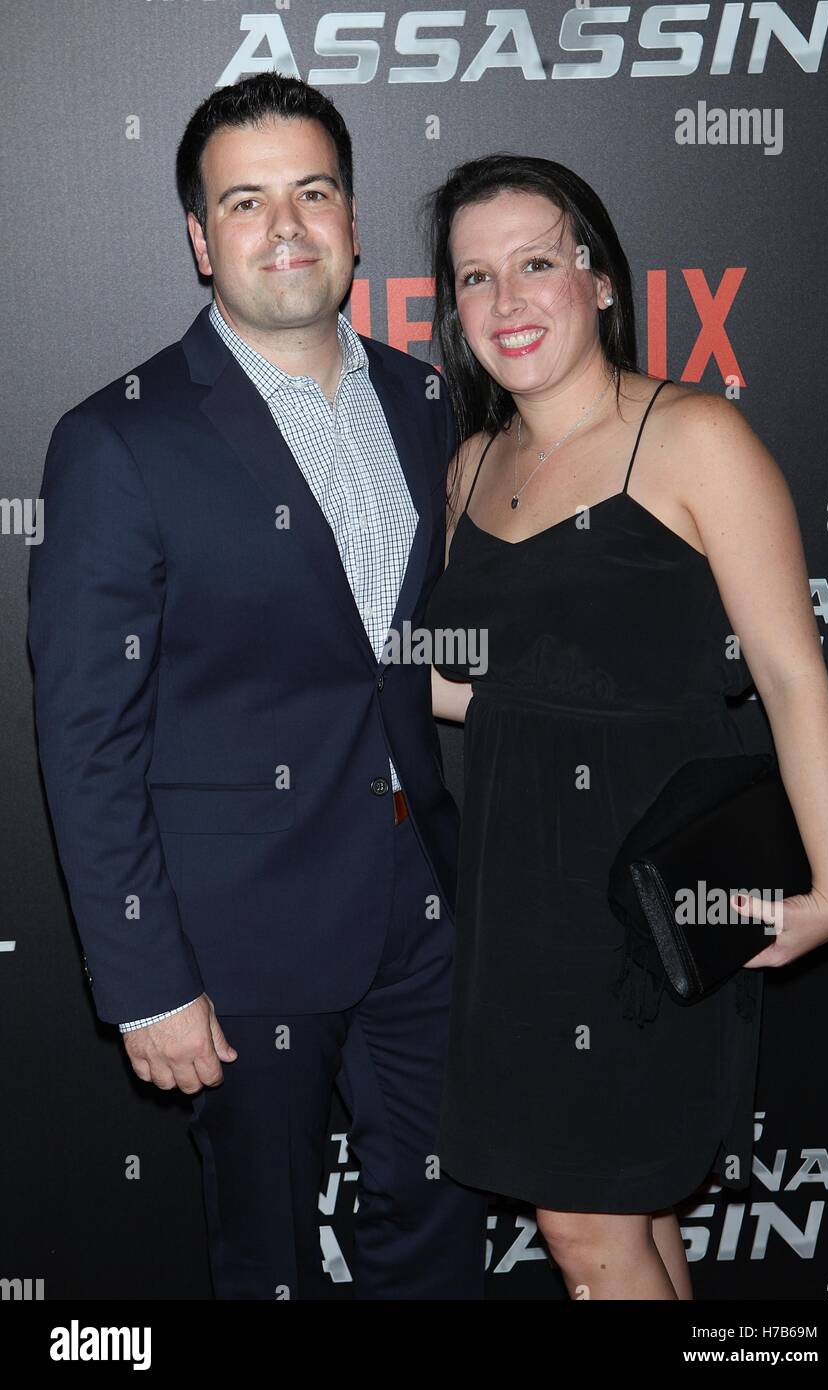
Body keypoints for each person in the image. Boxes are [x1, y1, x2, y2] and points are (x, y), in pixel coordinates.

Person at [27, 72, 487, 1301]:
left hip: (422, 900)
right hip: (236, 936)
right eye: (246, 201)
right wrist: (145, 981)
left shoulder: (424, 399)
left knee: (439, 1221)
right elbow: (86, 736)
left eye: (314, 191)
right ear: (199, 238)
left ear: (351, 218)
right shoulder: (120, 437)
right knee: (265, 1255)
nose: (286, 227)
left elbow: (401, 648)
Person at [422, 153, 828, 1300]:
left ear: (599, 278)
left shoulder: (696, 437)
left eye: (534, 263)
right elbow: (483, 686)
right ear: (453, 311)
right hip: (515, 905)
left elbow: (788, 672)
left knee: (583, 1226)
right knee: (633, 1219)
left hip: (643, 890)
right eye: (475, 277)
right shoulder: (470, 467)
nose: (506, 301)